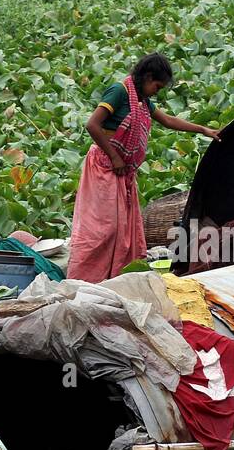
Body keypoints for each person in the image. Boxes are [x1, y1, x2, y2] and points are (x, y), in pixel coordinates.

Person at [67, 53, 219, 282]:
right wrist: (115, 157)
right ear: (147, 77)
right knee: (102, 231)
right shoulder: (119, 92)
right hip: (104, 168)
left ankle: (114, 279)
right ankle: (86, 279)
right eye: (157, 86)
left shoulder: (141, 100)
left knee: (123, 231)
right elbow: (92, 125)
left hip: (122, 173)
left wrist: (203, 130)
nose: (157, 91)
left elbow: (168, 120)